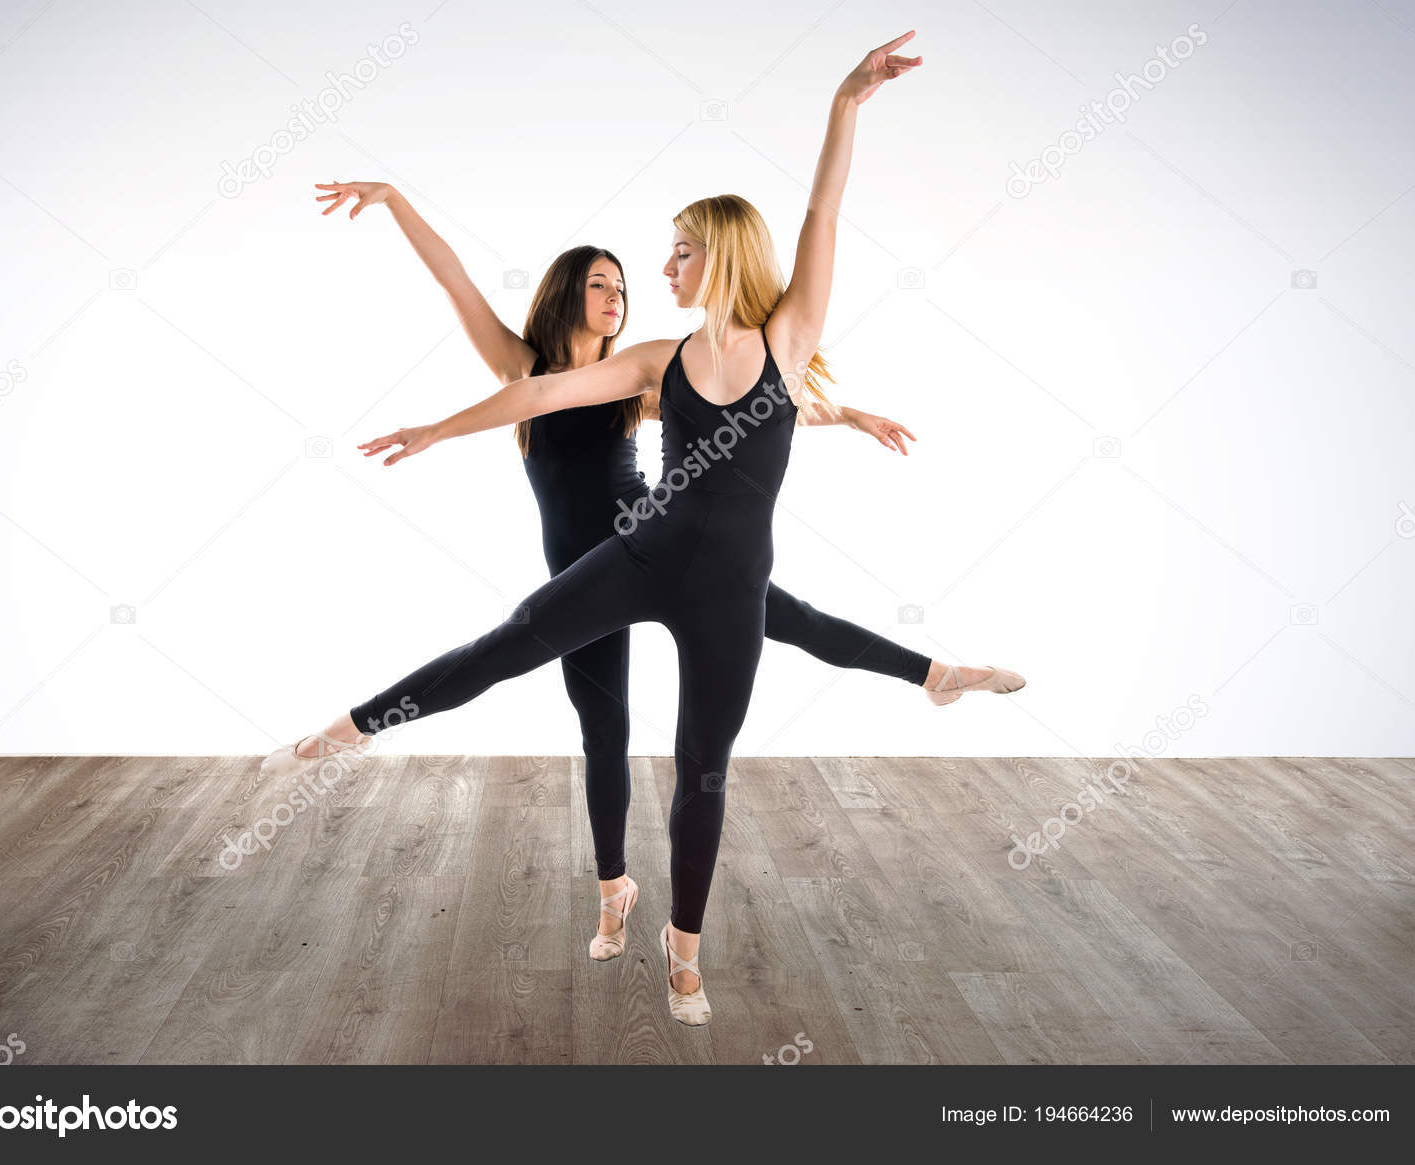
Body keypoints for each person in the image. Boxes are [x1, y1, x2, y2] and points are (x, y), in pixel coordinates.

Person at [270, 32, 1023, 1026]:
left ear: (717, 252)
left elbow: (823, 212)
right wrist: (433, 431)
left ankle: (682, 955)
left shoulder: (790, 341)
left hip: (721, 592)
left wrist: (846, 100)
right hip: (639, 555)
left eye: (675, 249)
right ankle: (353, 726)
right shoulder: (655, 363)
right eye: (651, 256)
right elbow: (535, 390)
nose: (658, 266)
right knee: (507, 648)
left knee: (702, 768)